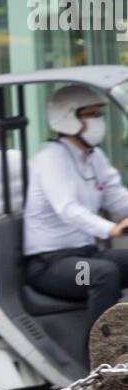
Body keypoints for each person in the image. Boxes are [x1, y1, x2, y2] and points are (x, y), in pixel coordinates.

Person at [23, 84, 128, 352]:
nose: (98, 122)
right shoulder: (50, 159)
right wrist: (111, 230)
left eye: (98, 115)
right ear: (68, 118)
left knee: (115, 264)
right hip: (50, 265)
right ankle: (100, 359)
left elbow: (116, 196)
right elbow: (67, 208)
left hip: (85, 254)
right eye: (91, 115)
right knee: (102, 274)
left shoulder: (94, 157)